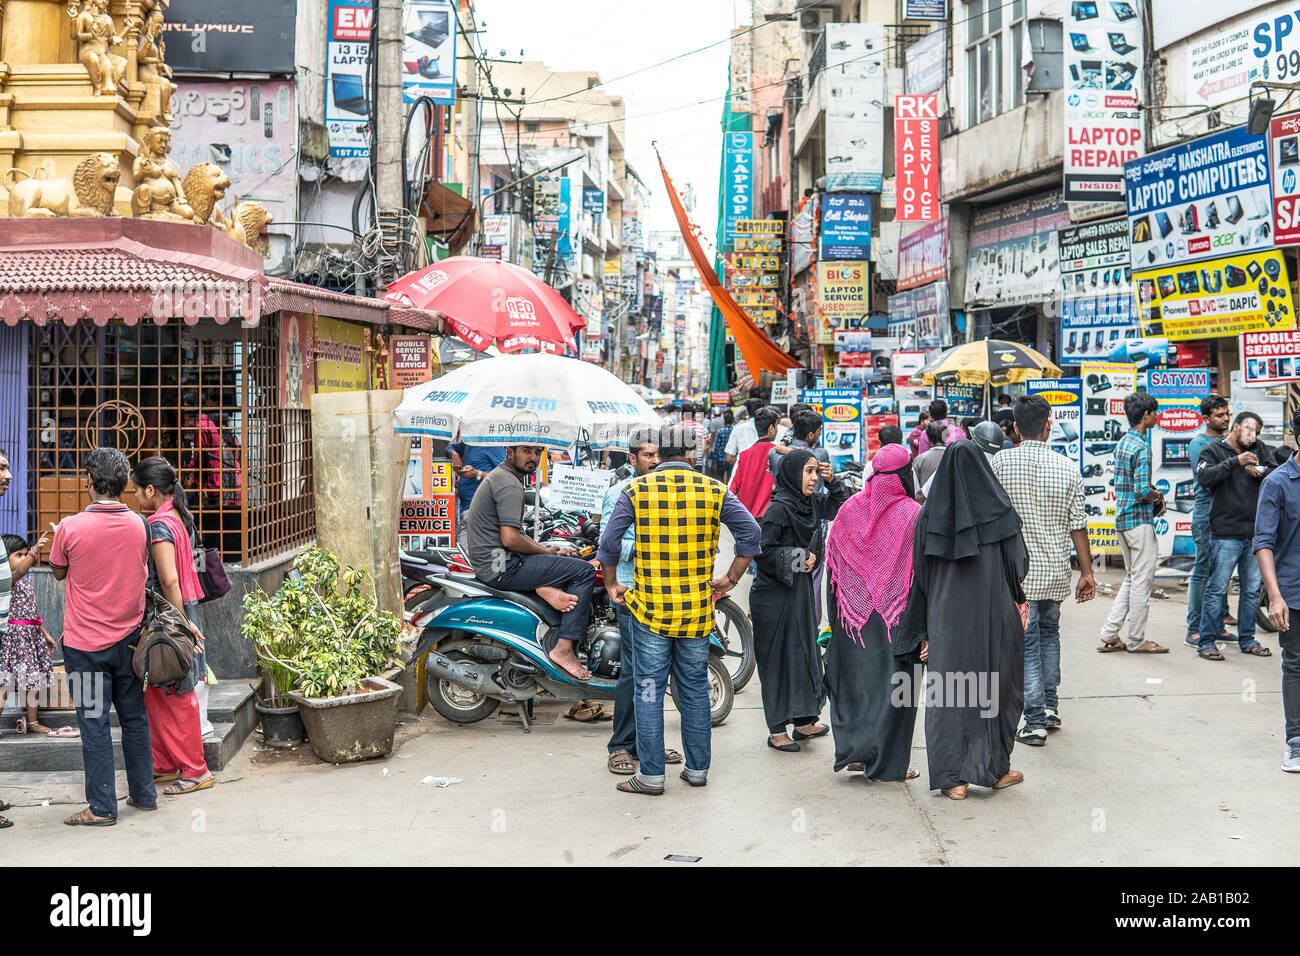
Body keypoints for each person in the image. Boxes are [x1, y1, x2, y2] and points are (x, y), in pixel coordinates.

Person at [597, 425, 761, 795]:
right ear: (693, 456)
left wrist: (612, 584)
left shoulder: (635, 490)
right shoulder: (714, 490)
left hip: (650, 610)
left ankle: (652, 776)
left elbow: (607, 545)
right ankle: (698, 769)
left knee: (650, 689)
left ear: (661, 453)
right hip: (696, 611)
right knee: (693, 690)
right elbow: (751, 535)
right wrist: (731, 578)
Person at [897, 441, 1029, 800]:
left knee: (952, 692)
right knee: (998, 689)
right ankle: (994, 768)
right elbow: (1019, 566)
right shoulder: (999, 510)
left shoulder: (928, 515)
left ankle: (952, 778)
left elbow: (919, 574)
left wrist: (925, 624)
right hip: (995, 615)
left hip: (947, 619)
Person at [49, 448, 157, 825]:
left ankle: (101, 808)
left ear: (89, 482)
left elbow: (59, 573)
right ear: (126, 483)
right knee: (134, 719)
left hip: (85, 647)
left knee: (94, 724)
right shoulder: (141, 525)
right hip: (130, 641)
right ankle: (144, 795)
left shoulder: (69, 527)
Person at [991, 396, 1096, 747]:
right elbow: (1077, 526)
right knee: (1049, 634)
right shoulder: (1068, 468)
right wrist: (1087, 572)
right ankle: (1049, 707)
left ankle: (1034, 721)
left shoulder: (1000, 463)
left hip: (1018, 575)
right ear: (1048, 424)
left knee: (1028, 644)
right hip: (1054, 572)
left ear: (1016, 428)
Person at [823, 443, 924, 780]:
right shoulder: (912, 514)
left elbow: (832, 570)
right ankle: (889, 763)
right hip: (897, 620)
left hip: (852, 618)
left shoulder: (848, 509)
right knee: (896, 687)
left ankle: (855, 751)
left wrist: (837, 620)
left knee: (856, 684)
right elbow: (921, 575)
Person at [464, 445, 597, 681]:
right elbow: (511, 539)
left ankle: (544, 587)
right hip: (501, 566)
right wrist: (547, 553)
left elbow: (516, 536)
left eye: (537, 452)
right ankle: (564, 649)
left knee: (562, 557)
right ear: (509, 452)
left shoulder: (504, 477)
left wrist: (547, 551)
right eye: (526, 451)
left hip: (499, 561)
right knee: (584, 571)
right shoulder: (508, 483)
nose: (533, 457)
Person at [752, 450, 849, 752]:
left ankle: (805, 720)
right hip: (773, 596)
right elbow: (762, 552)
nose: (813, 478)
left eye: (815, 472)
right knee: (779, 660)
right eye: (808, 472)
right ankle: (777, 729)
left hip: (798, 590)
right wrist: (799, 557)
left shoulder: (809, 503)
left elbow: (839, 506)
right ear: (793, 474)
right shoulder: (778, 510)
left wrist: (833, 482)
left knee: (804, 653)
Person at [130, 457, 214, 794]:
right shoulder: (182, 517)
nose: (135, 497)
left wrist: (177, 625)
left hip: (171, 614)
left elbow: (169, 579)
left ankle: (195, 769)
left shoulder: (159, 524)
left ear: (151, 490)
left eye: (136, 491)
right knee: (159, 689)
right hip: (184, 609)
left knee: (175, 691)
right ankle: (164, 765)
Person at [601, 435, 683, 776]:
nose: (654, 460)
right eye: (647, 455)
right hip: (631, 590)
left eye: (657, 454)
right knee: (635, 670)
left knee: (656, 671)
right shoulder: (621, 493)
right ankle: (621, 745)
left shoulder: (666, 490)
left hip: (664, 592)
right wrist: (654, 547)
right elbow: (610, 543)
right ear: (633, 458)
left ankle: (645, 744)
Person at [1195, 411, 1277, 660]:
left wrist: (1260, 470)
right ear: (1236, 427)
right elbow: (1204, 477)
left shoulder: (1259, 448)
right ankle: (1206, 641)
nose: (1254, 438)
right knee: (1217, 588)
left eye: (1258, 434)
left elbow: (1275, 471)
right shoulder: (1213, 451)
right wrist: (1237, 462)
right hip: (1225, 534)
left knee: (1251, 591)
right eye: (1250, 431)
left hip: (1254, 534)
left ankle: (1248, 640)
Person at [1098, 392, 1169, 654]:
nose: (1156, 416)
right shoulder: (1142, 446)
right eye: (1154, 412)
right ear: (1146, 415)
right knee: (1142, 582)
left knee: (1131, 578)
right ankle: (1137, 639)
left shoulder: (1124, 442)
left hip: (1123, 520)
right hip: (1139, 522)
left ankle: (1109, 632)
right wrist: (1158, 495)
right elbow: (1141, 490)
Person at [1254, 408, 1300, 771]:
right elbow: (1264, 542)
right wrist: (1275, 596)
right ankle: (1296, 742)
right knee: (1296, 665)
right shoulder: (1278, 483)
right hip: (1294, 591)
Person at [0, 534, 59, 743]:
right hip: (13, 640)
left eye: (25, 554)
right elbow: (19, 570)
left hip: (31, 638)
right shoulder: (8, 580)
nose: (24, 558)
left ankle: (33, 722)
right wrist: (34, 552)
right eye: (18, 554)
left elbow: (33, 613)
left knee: (33, 681)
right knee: (4, 683)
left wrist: (45, 634)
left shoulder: (25, 583)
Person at [1186, 395, 1231, 648]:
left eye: (1226, 414)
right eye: (1219, 415)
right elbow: (1209, 478)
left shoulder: (1228, 441)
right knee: (1202, 571)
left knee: (1221, 572)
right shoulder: (1199, 444)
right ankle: (1194, 629)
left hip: (1228, 514)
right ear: (1206, 418)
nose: (1225, 419)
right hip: (1206, 515)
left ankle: (1218, 626)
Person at [729, 406, 780, 518]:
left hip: (747, 517)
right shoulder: (778, 452)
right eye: (776, 427)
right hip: (771, 516)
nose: (777, 430)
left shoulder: (744, 455)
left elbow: (733, 488)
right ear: (771, 428)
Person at [447, 439, 507, 527]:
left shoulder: (492, 444)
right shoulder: (469, 441)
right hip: (467, 508)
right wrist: (453, 454)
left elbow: (506, 476)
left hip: (482, 509)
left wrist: (477, 474)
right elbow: (451, 448)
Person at [724, 398, 765, 466]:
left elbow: (729, 458)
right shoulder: (771, 428)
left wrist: (742, 465)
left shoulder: (738, 428)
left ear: (747, 411)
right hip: (763, 472)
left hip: (742, 471)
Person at [912, 420, 950, 494]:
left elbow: (915, 488)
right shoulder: (953, 457)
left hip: (926, 503)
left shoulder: (920, 459)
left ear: (928, 438)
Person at [707, 411, 734, 481]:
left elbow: (717, 448)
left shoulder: (720, 432)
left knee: (719, 477)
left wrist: (715, 461)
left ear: (724, 422)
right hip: (731, 458)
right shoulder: (734, 431)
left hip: (721, 459)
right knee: (730, 477)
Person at [681, 404, 709, 468]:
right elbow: (704, 448)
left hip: (682, 462)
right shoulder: (701, 427)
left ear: (683, 415)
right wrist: (700, 458)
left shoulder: (678, 427)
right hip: (698, 461)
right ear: (694, 415)